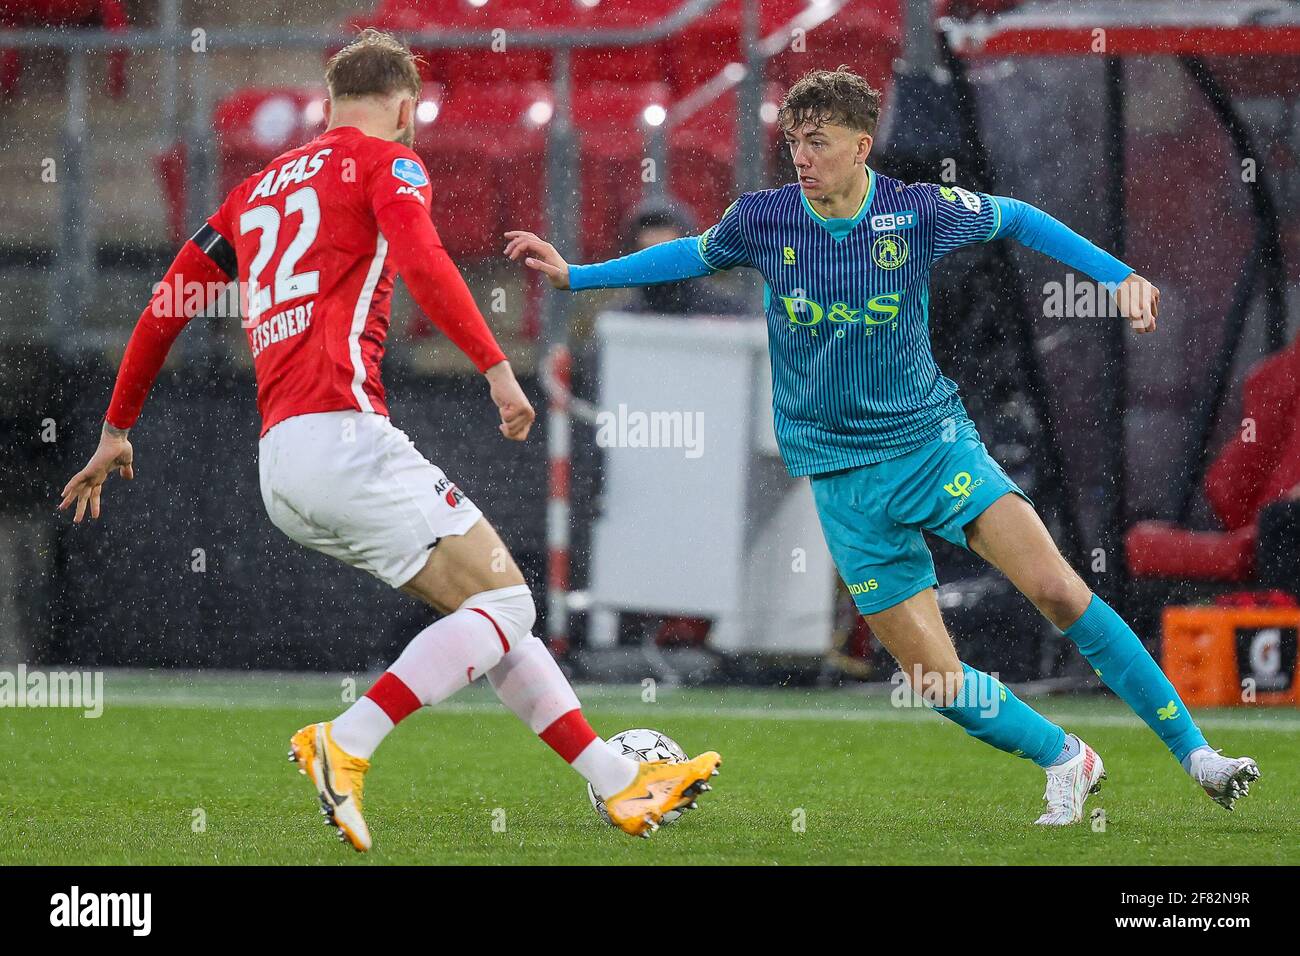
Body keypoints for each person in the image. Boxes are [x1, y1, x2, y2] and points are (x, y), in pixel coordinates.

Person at [505, 66, 1259, 825]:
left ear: (861, 146)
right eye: (794, 142)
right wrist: (579, 274)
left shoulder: (916, 213)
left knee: (1060, 590)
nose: (802, 156)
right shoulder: (764, 220)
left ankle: (1200, 756)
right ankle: (1065, 756)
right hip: (843, 479)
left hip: (933, 446)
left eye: (819, 142)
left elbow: (1021, 219)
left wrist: (1118, 276)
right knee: (933, 678)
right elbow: (692, 254)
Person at [58, 29, 720, 849]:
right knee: (509, 602)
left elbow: (165, 305)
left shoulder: (252, 192)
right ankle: (349, 740)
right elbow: (426, 260)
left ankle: (619, 783)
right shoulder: (390, 163)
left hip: (282, 466)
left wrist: (116, 427)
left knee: (492, 613)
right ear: (406, 108)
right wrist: (494, 366)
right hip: (343, 433)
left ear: (331, 102)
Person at [614, 204, 748, 316]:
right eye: (649, 256)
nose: (658, 266)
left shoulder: (726, 310)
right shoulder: (623, 318)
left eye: (667, 255)